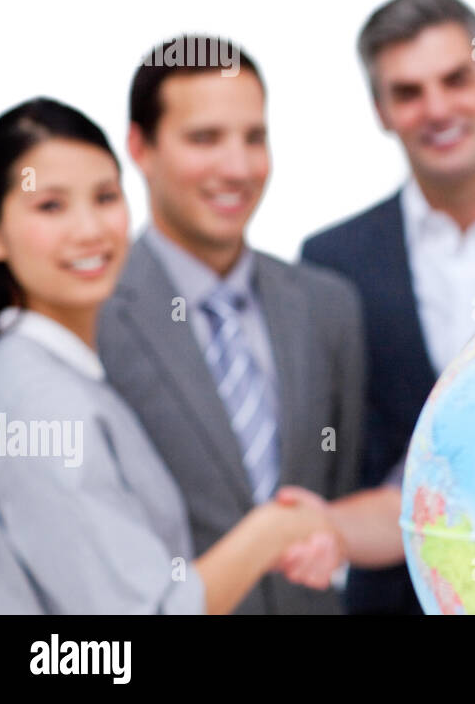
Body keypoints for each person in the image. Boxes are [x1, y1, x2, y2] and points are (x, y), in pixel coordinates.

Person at [0, 98, 337, 613]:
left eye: (105, 197)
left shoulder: (39, 372)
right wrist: (274, 529)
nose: (89, 229)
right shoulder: (42, 401)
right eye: (50, 206)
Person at [299, 0, 475, 614]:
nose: (437, 108)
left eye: (456, 80)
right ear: (380, 110)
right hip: (391, 599)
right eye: (408, 92)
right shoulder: (330, 261)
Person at [95, 36, 366, 614]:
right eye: (205, 139)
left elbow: (335, 486)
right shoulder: (93, 316)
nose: (238, 167)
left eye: (254, 137)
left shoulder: (327, 306)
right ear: (140, 147)